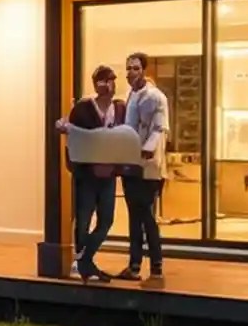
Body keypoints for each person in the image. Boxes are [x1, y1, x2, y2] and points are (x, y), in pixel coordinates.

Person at [55, 65, 126, 284]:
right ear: (96, 84)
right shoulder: (84, 108)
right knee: (83, 219)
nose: (108, 84)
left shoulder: (120, 109)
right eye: (103, 80)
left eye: (111, 80)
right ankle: (80, 263)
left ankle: (85, 258)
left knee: (106, 219)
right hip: (86, 175)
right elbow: (72, 139)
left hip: (108, 175)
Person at [117, 51, 170, 284]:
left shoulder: (155, 97)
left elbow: (160, 128)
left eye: (135, 68)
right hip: (131, 164)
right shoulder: (131, 96)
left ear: (144, 70)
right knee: (134, 216)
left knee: (147, 216)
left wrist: (147, 149)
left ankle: (156, 264)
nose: (131, 73)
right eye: (128, 68)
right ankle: (135, 264)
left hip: (148, 167)